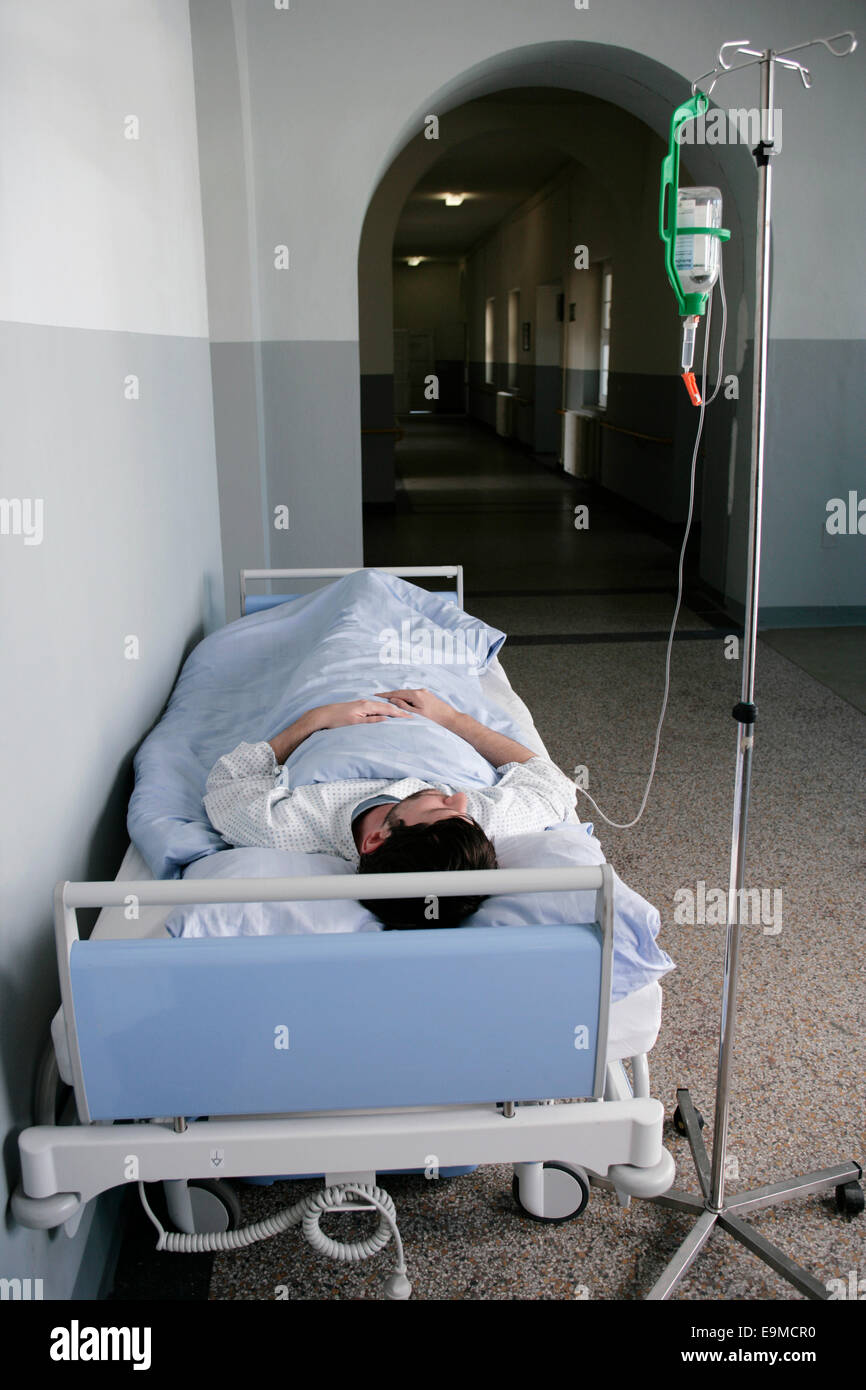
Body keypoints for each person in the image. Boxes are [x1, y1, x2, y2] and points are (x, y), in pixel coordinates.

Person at [203, 687, 577, 930]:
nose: (460, 798)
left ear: (377, 838)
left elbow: (227, 783)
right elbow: (552, 784)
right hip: (432, 698)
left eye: (440, 808)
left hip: (328, 693)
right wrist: (451, 718)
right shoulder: (471, 828)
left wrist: (314, 720)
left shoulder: (291, 824)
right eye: (462, 810)